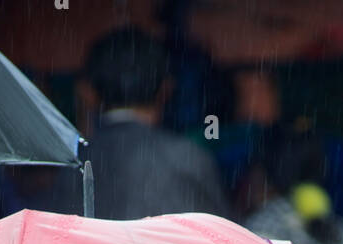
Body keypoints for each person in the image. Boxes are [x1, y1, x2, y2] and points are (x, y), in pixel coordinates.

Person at [78, 27, 230, 220]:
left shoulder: (72, 164)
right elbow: (224, 237)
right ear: (166, 88)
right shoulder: (189, 158)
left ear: (87, 92)